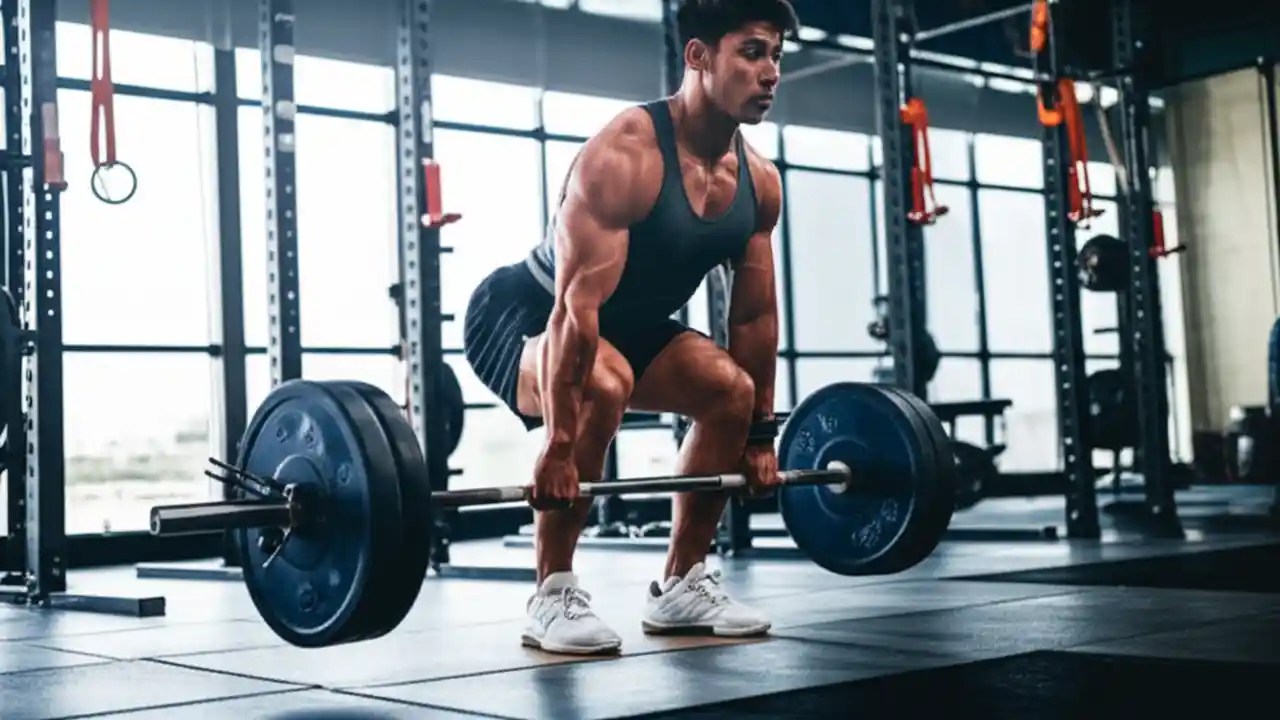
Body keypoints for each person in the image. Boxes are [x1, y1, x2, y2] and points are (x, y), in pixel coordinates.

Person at [463, 0, 798, 655]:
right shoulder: (626, 154)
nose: (771, 74)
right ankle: (551, 592)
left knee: (729, 392)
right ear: (699, 57)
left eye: (777, 58)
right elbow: (574, 313)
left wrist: (759, 435)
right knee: (605, 382)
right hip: (524, 312)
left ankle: (681, 584)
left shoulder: (759, 183)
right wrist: (559, 446)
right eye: (753, 53)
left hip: (630, 325)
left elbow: (754, 319)